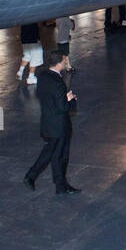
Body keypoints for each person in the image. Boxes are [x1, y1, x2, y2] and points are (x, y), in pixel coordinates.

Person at [23, 52, 78, 194]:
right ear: (59, 63)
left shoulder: (42, 75)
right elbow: (63, 108)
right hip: (59, 126)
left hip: (48, 122)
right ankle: (32, 176)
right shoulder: (59, 83)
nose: (66, 63)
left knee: (53, 154)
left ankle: (59, 185)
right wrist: (70, 99)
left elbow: (44, 96)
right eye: (64, 61)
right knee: (60, 156)